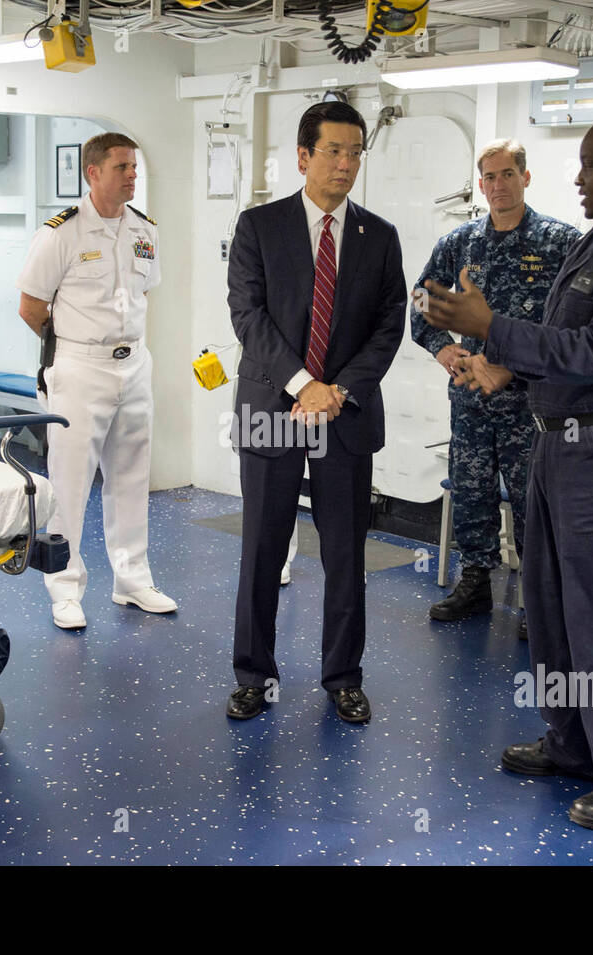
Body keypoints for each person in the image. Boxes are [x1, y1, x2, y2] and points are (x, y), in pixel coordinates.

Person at [419, 115, 593, 830]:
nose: (578, 178)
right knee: (552, 610)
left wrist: (493, 330)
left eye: (591, 166)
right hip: (559, 444)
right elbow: (563, 340)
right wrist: (499, 365)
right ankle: (574, 740)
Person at [225, 101, 406, 723]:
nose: (346, 163)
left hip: (346, 415)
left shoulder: (378, 237)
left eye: (356, 152)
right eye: (333, 150)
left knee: (345, 553)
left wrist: (338, 390)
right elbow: (248, 317)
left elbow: (389, 325)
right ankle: (253, 674)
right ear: (303, 156)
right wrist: (304, 384)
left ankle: (343, 676)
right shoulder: (259, 227)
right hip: (274, 407)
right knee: (263, 548)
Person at [410, 139, 578, 621]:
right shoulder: (459, 243)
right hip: (471, 400)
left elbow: (572, 324)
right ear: (480, 183)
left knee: (534, 501)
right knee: (472, 492)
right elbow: (422, 299)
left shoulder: (561, 242)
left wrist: (511, 367)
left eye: (507, 174)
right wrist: (444, 348)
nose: (498, 185)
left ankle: (540, 602)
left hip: (532, 404)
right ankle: (476, 583)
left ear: (526, 177)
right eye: (489, 176)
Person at [16, 132, 176, 630]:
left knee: (130, 475)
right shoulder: (61, 233)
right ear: (94, 172)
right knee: (69, 483)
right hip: (81, 367)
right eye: (123, 167)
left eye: (134, 167)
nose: (132, 175)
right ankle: (64, 587)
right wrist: (68, 348)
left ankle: (132, 579)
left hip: (135, 364)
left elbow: (146, 289)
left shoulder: (143, 229)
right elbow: (30, 306)